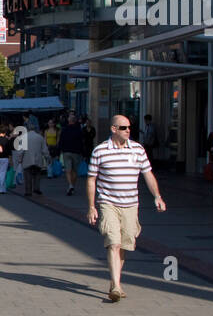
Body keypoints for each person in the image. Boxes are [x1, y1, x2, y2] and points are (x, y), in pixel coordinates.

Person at [86, 114, 167, 301]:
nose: (128, 130)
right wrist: (92, 206)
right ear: (113, 129)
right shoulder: (100, 151)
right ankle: (115, 285)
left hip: (131, 205)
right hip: (108, 204)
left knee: (123, 244)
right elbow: (91, 179)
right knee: (113, 243)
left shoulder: (138, 150)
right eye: (123, 128)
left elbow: (148, 174)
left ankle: (116, 280)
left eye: (130, 127)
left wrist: (157, 196)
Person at [19, 123, 51, 197]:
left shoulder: (24, 137)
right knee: (37, 175)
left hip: (27, 160)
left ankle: (28, 191)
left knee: (28, 176)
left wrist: (20, 159)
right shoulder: (40, 137)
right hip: (38, 160)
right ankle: (36, 188)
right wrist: (48, 157)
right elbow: (44, 150)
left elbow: (21, 150)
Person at [58, 112, 86, 196]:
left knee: (68, 170)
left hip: (66, 152)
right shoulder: (79, 130)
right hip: (76, 152)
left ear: (68, 120)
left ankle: (70, 185)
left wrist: (60, 150)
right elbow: (82, 142)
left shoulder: (64, 129)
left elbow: (61, 141)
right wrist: (82, 152)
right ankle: (72, 185)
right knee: (74, 171)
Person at [0, 122, 14, 193]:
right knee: (3, 173)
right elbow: (9, 151)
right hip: (5, 158)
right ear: (5, 131)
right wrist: (11, 160)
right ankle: (2, 189)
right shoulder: (7, 140)